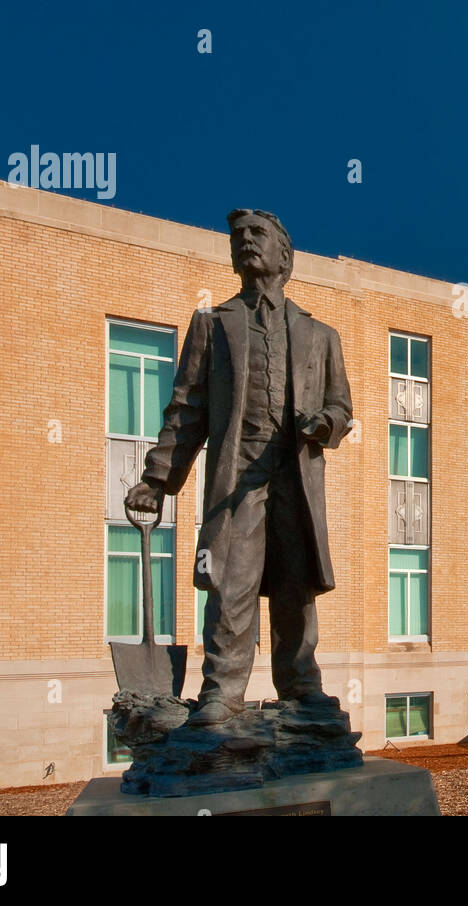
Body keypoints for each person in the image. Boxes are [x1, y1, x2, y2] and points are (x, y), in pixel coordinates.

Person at [125, 209, 352, 725]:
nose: (246, 241)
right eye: (238, 237)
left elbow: (342, 406)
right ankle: (222, 689)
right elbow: (187, 408)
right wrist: (158, 479)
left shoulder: (321, 335)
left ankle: (301, 687)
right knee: (231, 581)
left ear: (285, 255)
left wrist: (325, 424)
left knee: (296, 585)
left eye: (258, 234)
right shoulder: (212, 324)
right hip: (237, 474)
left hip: (294, 472)